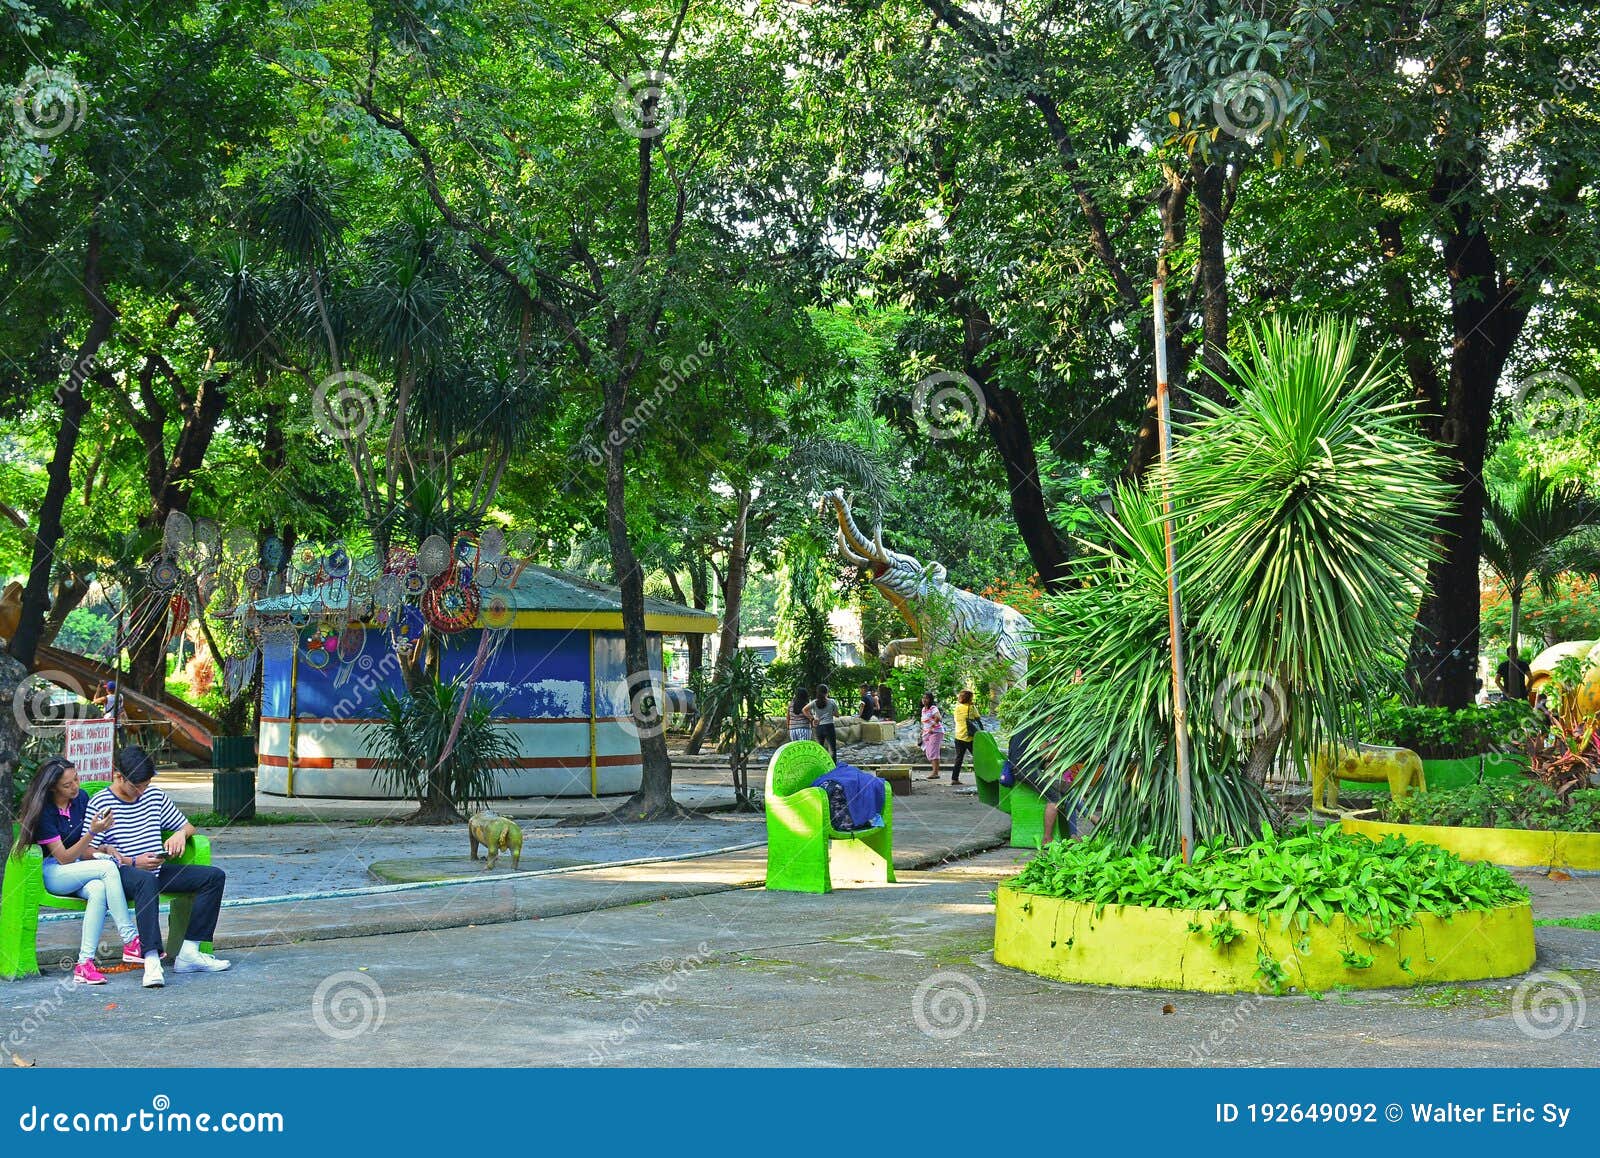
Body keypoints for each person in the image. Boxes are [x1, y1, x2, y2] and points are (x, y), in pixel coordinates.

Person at [89, 746, 231, 987]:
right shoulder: (101, 803)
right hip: (121, 874)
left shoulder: (154, 795)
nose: (141, 791)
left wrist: (179, 835)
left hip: (157, 870)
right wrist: (131, 861)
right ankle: (151, 959)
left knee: (213, 877)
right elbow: (88, 852)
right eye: (136, 786)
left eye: (145, 784)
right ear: (118, 776)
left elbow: (187, 826)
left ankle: (189, 952)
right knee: (146, 880)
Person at [10, 756, 142, 985]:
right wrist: (91, 833)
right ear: (53, 787)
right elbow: (63, 858)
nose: (75, 787)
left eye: (76, 779)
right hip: (54, 872)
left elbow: (82, 851)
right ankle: (131, 939)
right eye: (67, 784)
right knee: (108, 869)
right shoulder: (45, 811)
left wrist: (103, 847)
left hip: (79, 868)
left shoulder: (81, 799)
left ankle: (84, 964)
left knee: (99, 889)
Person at [1006, 724, 1078, 844]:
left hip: (1021, 769)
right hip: (1026, 771)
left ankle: (1076, 832)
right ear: (1047, 717)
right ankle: (1047, 838)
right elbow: (1045, 755)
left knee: (1067, 790)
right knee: (1055, 798)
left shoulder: (1022, 727)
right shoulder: (1039, 729)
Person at [950, 689, 983, 784]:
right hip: (969, 737)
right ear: (969, 698)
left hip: (958, 735)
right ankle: (981, 778)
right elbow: (978, 718)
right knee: (978, 758)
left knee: (959, 759)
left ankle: (954, 779)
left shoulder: (957, 707)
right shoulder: (971, 707)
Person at [805, 684, 841, 761]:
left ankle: (820, 765)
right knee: (832, 749)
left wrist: (812, 718)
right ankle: (832, 767)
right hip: (829, 726)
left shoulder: (814, 702)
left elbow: (804, 710)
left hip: (819, 727)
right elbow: (837, 715)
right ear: (827, 692)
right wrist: (831, 712)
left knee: (819, 749)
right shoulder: (832, 702)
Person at [920, 692, 945, 780]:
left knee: (933, 752)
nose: (924, 700)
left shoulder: (933, 708)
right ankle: (935, 771)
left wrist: (932, 727)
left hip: (936, 732)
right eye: (923, 698)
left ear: (930, 699)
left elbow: (938, 717)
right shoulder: (923, 709)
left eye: (926, 698)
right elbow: (925, 721)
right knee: (928, 752)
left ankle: (935, 773)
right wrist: (923, 731)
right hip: (927, 733)